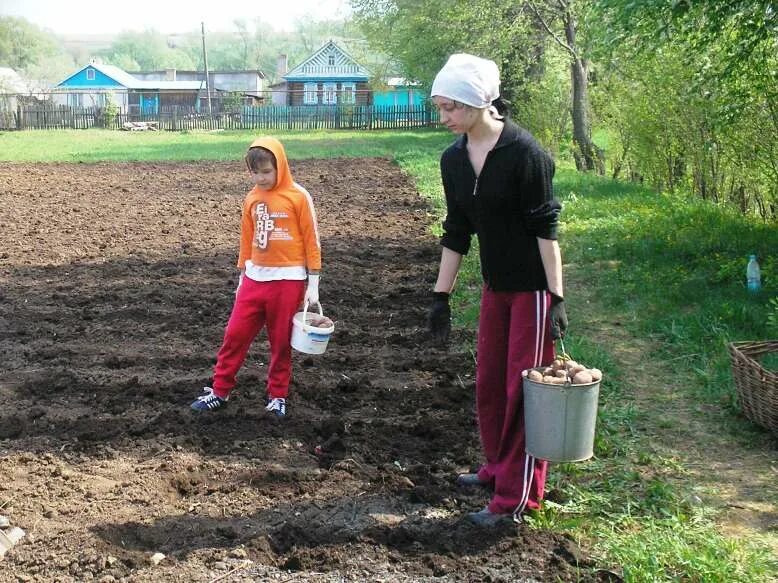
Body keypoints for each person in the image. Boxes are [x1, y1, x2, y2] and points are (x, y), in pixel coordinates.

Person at [427, 54, 568, 526]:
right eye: (440, 107)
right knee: (489, 383)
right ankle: (497, 470)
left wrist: (556, 297)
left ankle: (517, 499)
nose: (442, 117)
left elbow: (546, 232)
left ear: (476, 102)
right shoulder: (454, 160)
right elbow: (457, 231)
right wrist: (440, 298)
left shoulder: (526, 154)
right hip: (495, 288)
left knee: (521, 392)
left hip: (530, 291)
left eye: (449, 107)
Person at [190, 136, 322, 418]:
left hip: (288, 282)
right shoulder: (251, 198)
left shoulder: (299, 197)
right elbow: (246, 240)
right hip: (254, 280)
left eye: (266, 171)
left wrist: (314, 285)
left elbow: (312, 242)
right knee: (234, 336)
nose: (261, 178)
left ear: (280, 166)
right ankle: (220, 390)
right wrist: (242, 278)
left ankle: (278, 396)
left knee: (280, 342)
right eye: (255, 172)